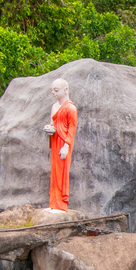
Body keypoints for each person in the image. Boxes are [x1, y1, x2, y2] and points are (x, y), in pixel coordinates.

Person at [43, 78, 78, 212]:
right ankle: (53, 203)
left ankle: (61, 204)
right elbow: (53, 124)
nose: (54, 93)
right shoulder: (54, 106)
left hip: (63, 143)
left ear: (66, 90)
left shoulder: (70, 108)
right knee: (54, 172)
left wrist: (66, 146)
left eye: (56, 90)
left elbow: (72, 129)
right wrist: (49, 129)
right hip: (54, 141)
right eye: (52, 90)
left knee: (62, 172)